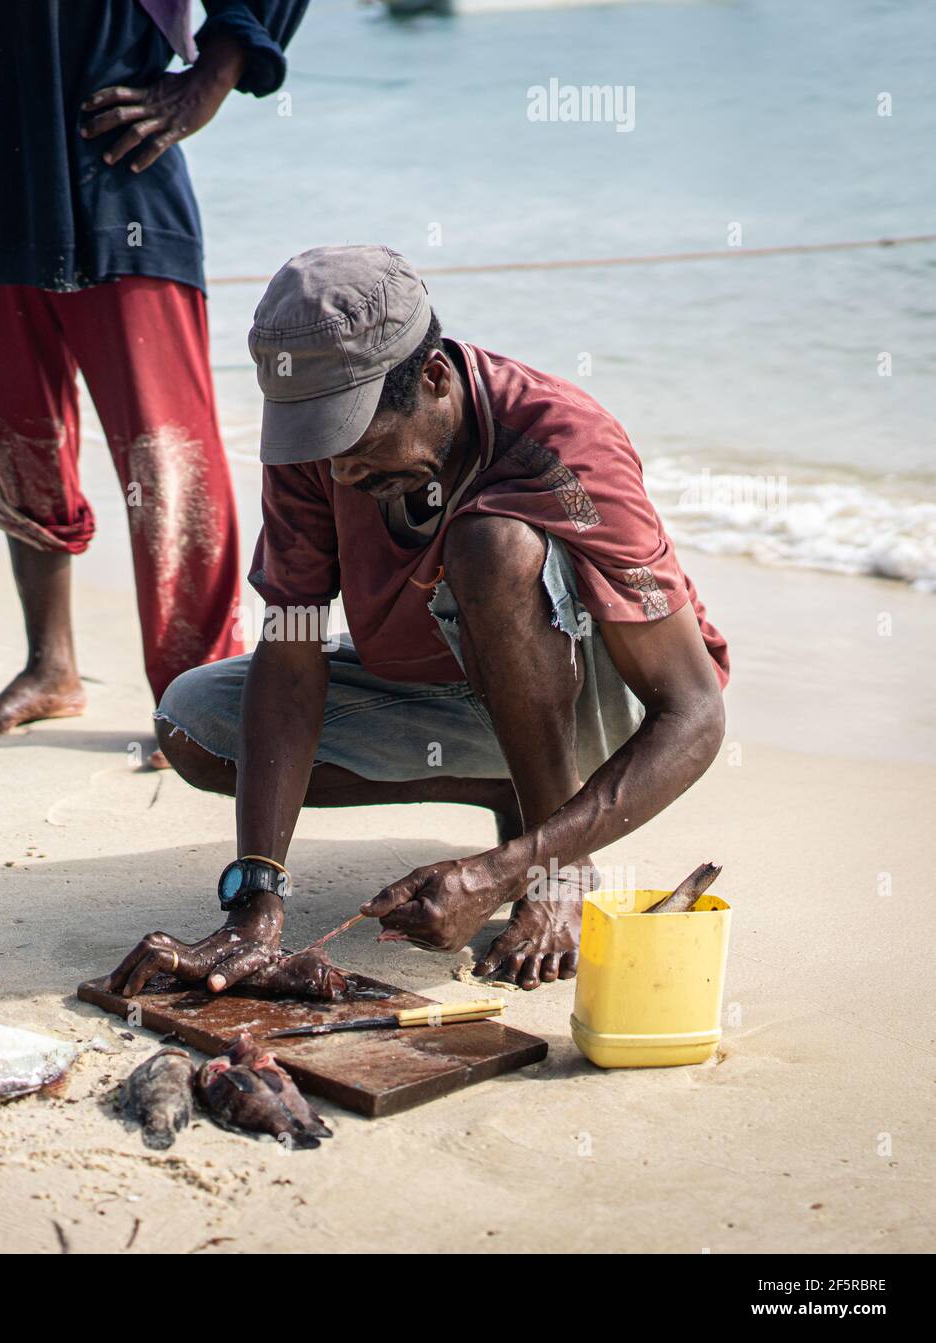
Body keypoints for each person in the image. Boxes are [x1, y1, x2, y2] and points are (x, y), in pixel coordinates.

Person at [106, 244, 729, 995]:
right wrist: (255, 900)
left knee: (490, 542)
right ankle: (511, 789)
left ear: (434, 378)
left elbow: (695, 711)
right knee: (195, 725)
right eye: (322, 448)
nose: (339, 474)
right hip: (449, 690)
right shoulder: (318, 441)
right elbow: (294, 646)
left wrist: (514, 868)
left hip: (601, 701)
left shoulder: (562, 441)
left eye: (359, 444)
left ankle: (560, 859)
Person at [0, 2, 308, 760]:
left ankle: (194, 693)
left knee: (168, 459)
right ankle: (50, 668)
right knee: (15, 439)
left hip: (124, 183)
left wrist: (207, 80)